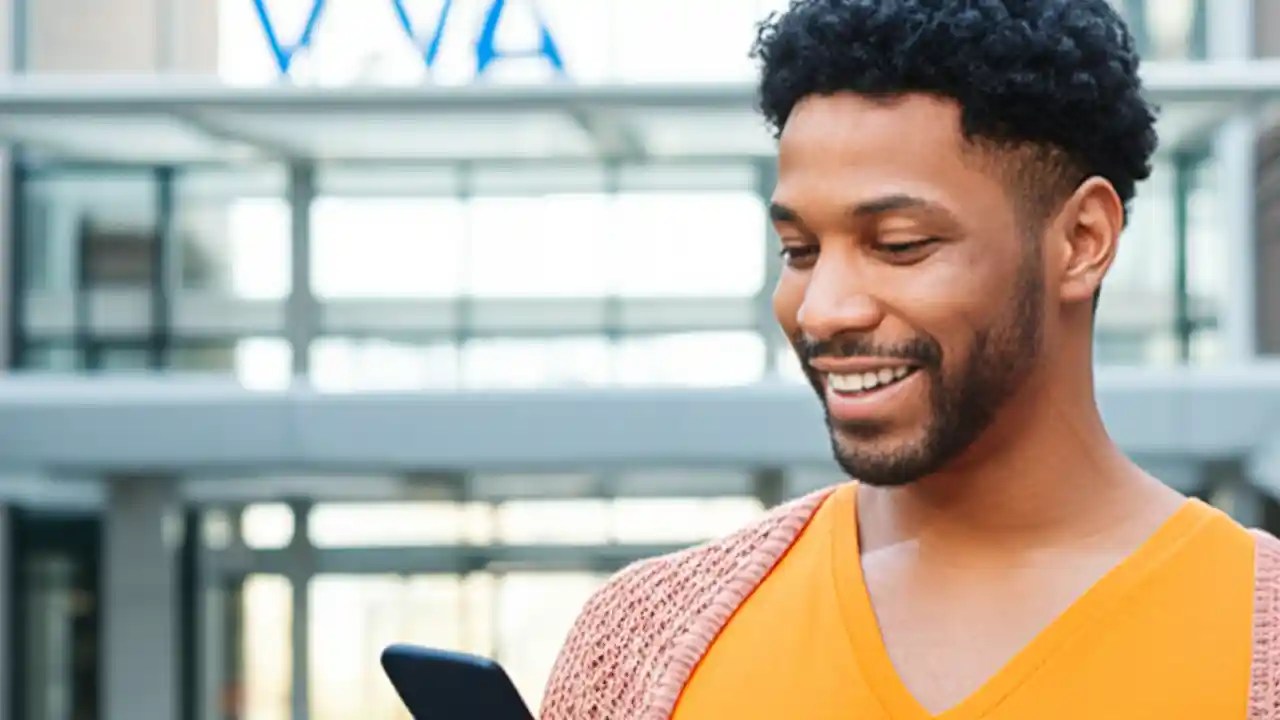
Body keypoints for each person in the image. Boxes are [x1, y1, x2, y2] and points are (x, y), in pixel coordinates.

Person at [540, 1, 1280, 718]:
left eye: (899, 245)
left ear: (1082, 240)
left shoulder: (1259, 636)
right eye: (798, 251)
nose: (823, 309)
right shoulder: (641, 645)